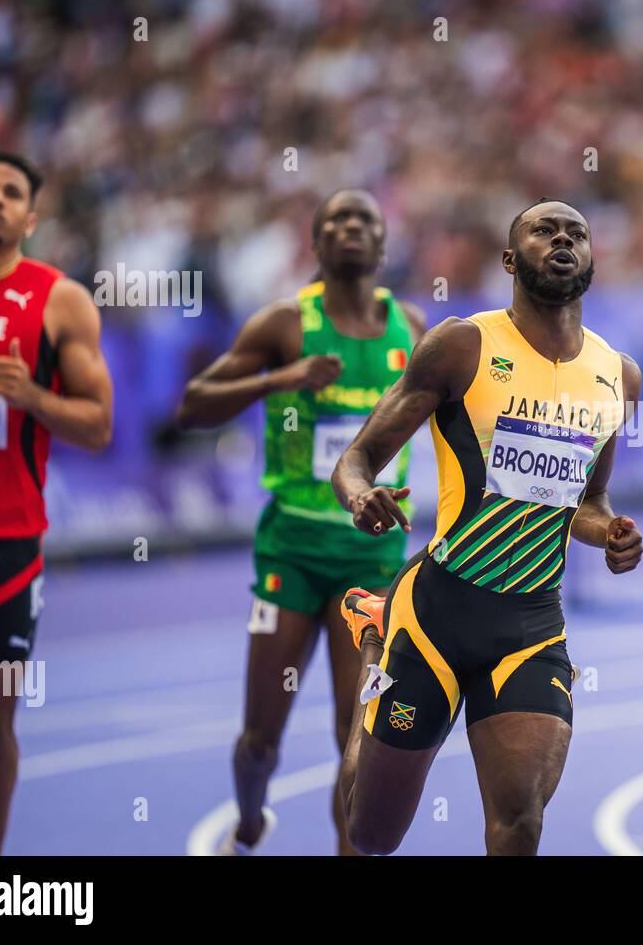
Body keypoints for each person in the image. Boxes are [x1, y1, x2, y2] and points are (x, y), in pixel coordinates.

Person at [331, 198, 643, 855]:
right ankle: (372, 644)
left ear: (589, 260)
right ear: (509, 259)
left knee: (519, 821)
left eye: (576, 233)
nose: (562, 238)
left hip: (531, 626)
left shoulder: (618, 375)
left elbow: (590, 501)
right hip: (434, 614)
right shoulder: (460, 346)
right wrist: (361, 497)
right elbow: (356, 460)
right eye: (543, 230)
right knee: (372, 833)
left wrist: (611, 532)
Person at [176, 189, 424, 855]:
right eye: (334, 221)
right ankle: (251, 822)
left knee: (358, 732)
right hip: (290, 550)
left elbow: (465, 433)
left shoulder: (416, 332)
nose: (349, 228)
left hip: (372, 558)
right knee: (261, 736)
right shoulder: (285, 324)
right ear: (314, 245)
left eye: (364, 220)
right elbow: (192, 405)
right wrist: (277, 380)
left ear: (382, 245)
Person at [0, 152, 113, 855]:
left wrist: (33, 398)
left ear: (30, 219)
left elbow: (99, 425)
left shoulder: (57, 298)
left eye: (11, 193)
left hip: (8, 555)